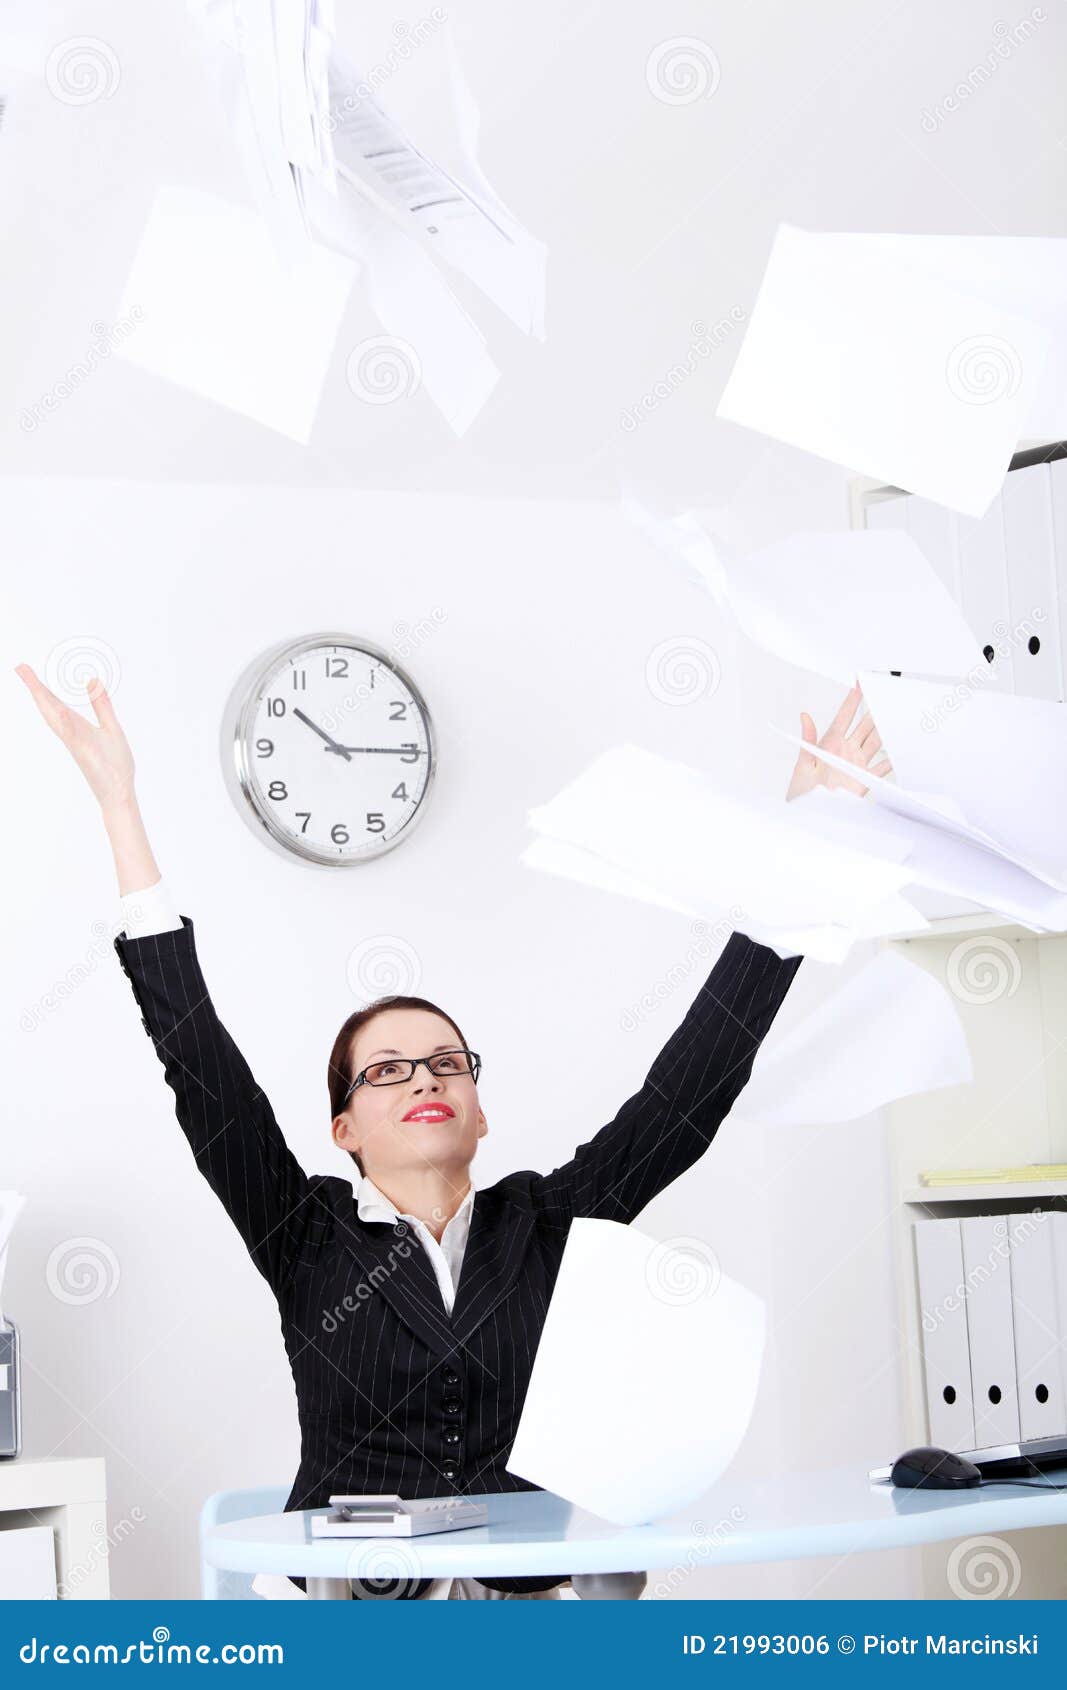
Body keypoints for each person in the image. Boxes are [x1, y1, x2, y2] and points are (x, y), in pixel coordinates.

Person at [15, 663, 890, 1599]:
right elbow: (201, 1065)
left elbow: (692, 1087)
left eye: (445, 1063)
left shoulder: (548, 1218)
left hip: (533, 1604)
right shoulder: (302, 1231)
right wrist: (119, 804)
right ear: (344, 1126)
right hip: (359, 1610)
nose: (423, 1078)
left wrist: (803, 842)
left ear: (480, 1108)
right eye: (386, 1070)